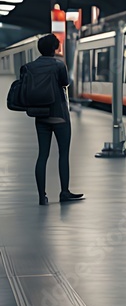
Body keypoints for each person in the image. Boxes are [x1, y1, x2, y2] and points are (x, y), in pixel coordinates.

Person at [26, 34, 84, 205]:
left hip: (41, 115)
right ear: (54, 48)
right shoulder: (59, 65)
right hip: (59, 115)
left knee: (42, 155)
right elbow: (65, 83)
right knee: (63, 154)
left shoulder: (31, 66)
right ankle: (64, 192)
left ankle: (41, 196)